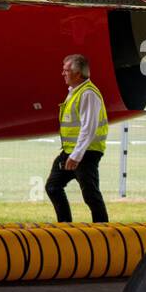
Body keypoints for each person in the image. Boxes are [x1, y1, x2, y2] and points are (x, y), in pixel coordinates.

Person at [45, 53, 109, 224]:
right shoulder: (75, 92)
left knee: (90, 194)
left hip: (86, 153)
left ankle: (102, 230)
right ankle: (65, 225)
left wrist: (76, 156)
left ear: (78, 74)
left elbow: (89, 128)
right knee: (53, 186)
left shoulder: (88, 94)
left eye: (66, 70)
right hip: (71, 151)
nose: (62, 73)